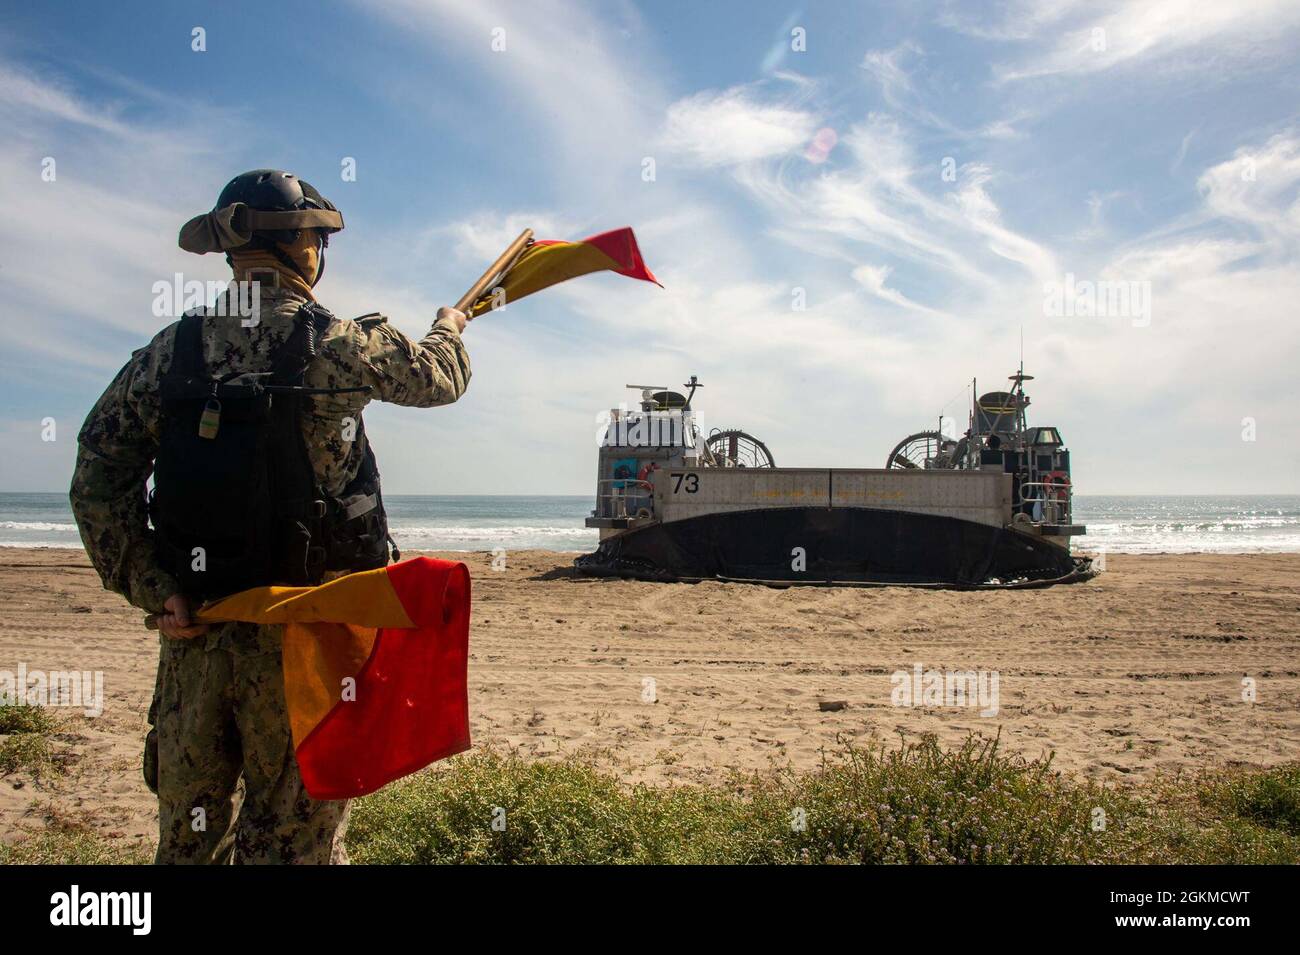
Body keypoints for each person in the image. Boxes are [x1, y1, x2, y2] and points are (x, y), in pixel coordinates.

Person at [69, 169, 471, 863]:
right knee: (293, 845)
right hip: (304, 650)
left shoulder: (171, 352)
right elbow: (439, 379)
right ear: (304, 249)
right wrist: (450, 327)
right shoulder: (338, 342)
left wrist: (151, 582)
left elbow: (97, 479)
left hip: (196, 633)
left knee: (188, 844)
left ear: (234, 253)